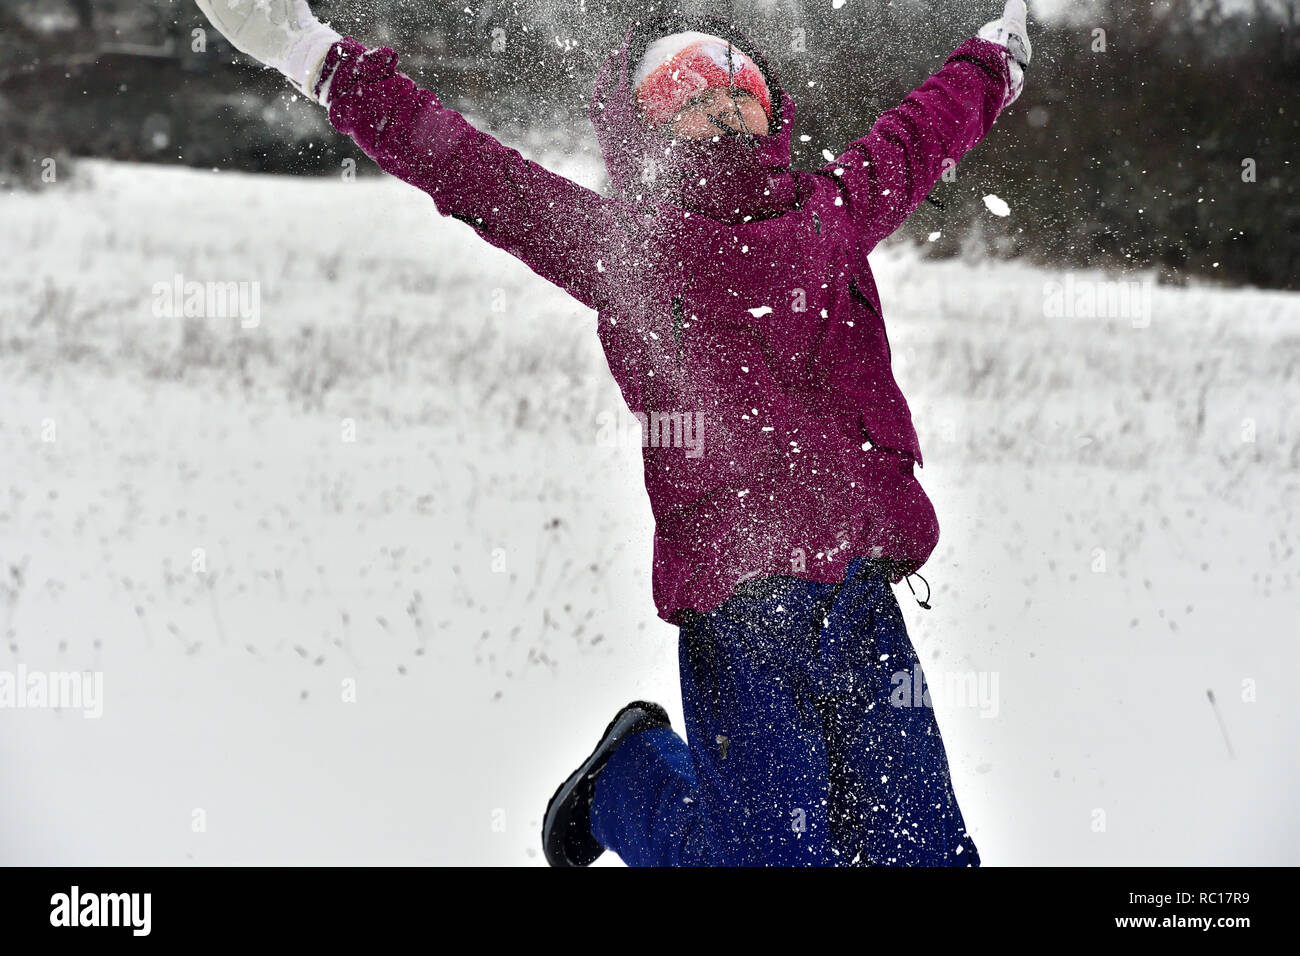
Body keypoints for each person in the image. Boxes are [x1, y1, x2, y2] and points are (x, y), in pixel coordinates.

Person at [193, 0, 1032, 867]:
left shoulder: (832, 213)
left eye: (735, 86)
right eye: (686, 97)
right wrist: (313, 54)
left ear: (772, 106)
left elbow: (920, 132)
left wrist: (994, 59)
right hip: (737, 612)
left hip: (859, 596)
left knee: (925, 852)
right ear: (645, 132)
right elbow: (467, 169)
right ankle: (631, 777)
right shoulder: (625, 247)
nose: (719, 106)